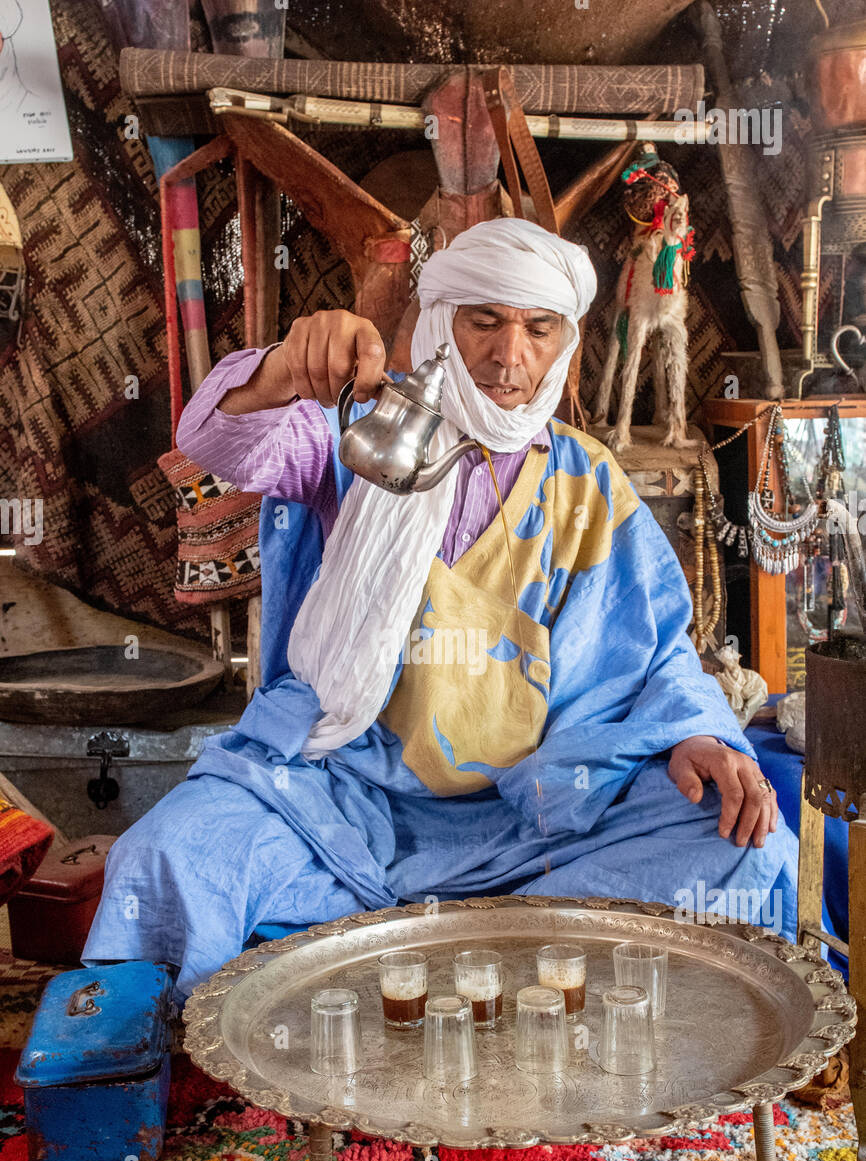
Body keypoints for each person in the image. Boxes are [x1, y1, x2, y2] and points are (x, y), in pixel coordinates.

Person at [83, 218, 797, 999]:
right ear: (439, 325)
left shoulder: (587, 483)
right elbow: (218, 442)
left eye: (538, 327)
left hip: (544, 813)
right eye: (483, 320)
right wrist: (286, 367)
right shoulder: (359, 438)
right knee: (165, 857)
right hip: (339, 796)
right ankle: (508, 966)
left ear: (567, 344)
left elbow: (659, 649)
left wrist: (698, 730)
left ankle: (415, 965)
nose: (509, 355)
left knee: (745, 847)